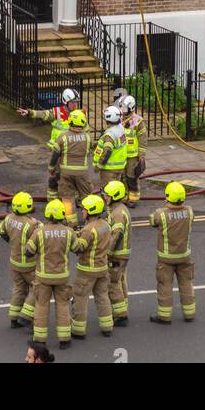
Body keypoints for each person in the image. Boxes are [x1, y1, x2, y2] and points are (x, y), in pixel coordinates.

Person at [24, 198, 84, 349]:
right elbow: (78, 249)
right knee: (63, 305)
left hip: (43, 277)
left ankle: (39, 340)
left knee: (41, 306)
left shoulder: (39, 232)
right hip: (62, 277)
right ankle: (64, 339)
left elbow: (28, 252)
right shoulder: (69, 232)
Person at [18, 87, 79, 199]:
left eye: (76, 102)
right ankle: (52, 198)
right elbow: (43, 114)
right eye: (73, 102)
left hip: (72, 151)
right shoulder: (57, 112)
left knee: (71, 176)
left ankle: (71, 198)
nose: (75, 105)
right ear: (66, 101)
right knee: (55, 175)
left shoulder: (79, 114)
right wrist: (29, 112)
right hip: (57, 151)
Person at [149, 181, 196, 325]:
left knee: (165, 285)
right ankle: (189, 314)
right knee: (186, 283)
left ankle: (164, 316)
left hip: (166, 258)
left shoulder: (161, 214)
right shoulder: (189, 211)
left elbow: (152, 221)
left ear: (167, 196)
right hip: (184, 256)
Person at [70, 194, 114, 339]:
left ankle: (78, 330)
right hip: (102, 268)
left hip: (87, 270)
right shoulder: (105, 225)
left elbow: (79, 247)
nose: (82, 211)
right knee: (102, 297)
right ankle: (107, 327)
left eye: (83, 209)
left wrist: (71, 238)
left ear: (90, 211)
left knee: (80, 298)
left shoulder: (89, 229)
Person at [0, 191, 40, 328]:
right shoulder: (32, 224)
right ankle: (26, 316)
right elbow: (39, 240)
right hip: (29, 264)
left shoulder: (9, 218)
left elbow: (1, 231)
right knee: (36, 289)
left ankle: (14, 319)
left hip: (14, 262)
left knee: (19, 289)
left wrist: (11, 241)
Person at [50, 108, 96, 227]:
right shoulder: (87, 137)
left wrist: (51, 168)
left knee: (67, 198)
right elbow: (94, 148)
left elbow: (55, 155)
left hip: (66, 173)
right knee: (86, 196)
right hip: (82, 173)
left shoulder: (63, 137)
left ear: (70, 121)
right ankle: (91, 221)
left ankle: (72, 223)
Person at [103, 178, 131, 327]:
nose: (105, 197)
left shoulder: (118, 213)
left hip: (117, 254)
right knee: (120, 281)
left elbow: (117, 234)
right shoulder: (118, 209)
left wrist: (108, 252)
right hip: (122, 254)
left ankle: (120, 315)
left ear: (114, 196)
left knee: (113, 283)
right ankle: (123, 307)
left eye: (107, 195)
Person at [121, 94, 147, 207]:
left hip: (133, 156)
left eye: (125, 107)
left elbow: (142, 139)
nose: (122, 109)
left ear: (131, 108)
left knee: (131, 177)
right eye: (121, 107)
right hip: (121, 154)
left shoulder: (138, 121)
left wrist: (141, 155)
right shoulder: (119, 119)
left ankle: (133, 198)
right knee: (122, 176)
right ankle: (124, 196)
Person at [93, 103, 128, 189]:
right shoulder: (120, 128)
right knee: (116, 190)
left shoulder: (110, 135)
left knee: (108, 192)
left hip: (109, 170)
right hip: (119, 167)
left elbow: (107, 152)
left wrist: (99, 166)